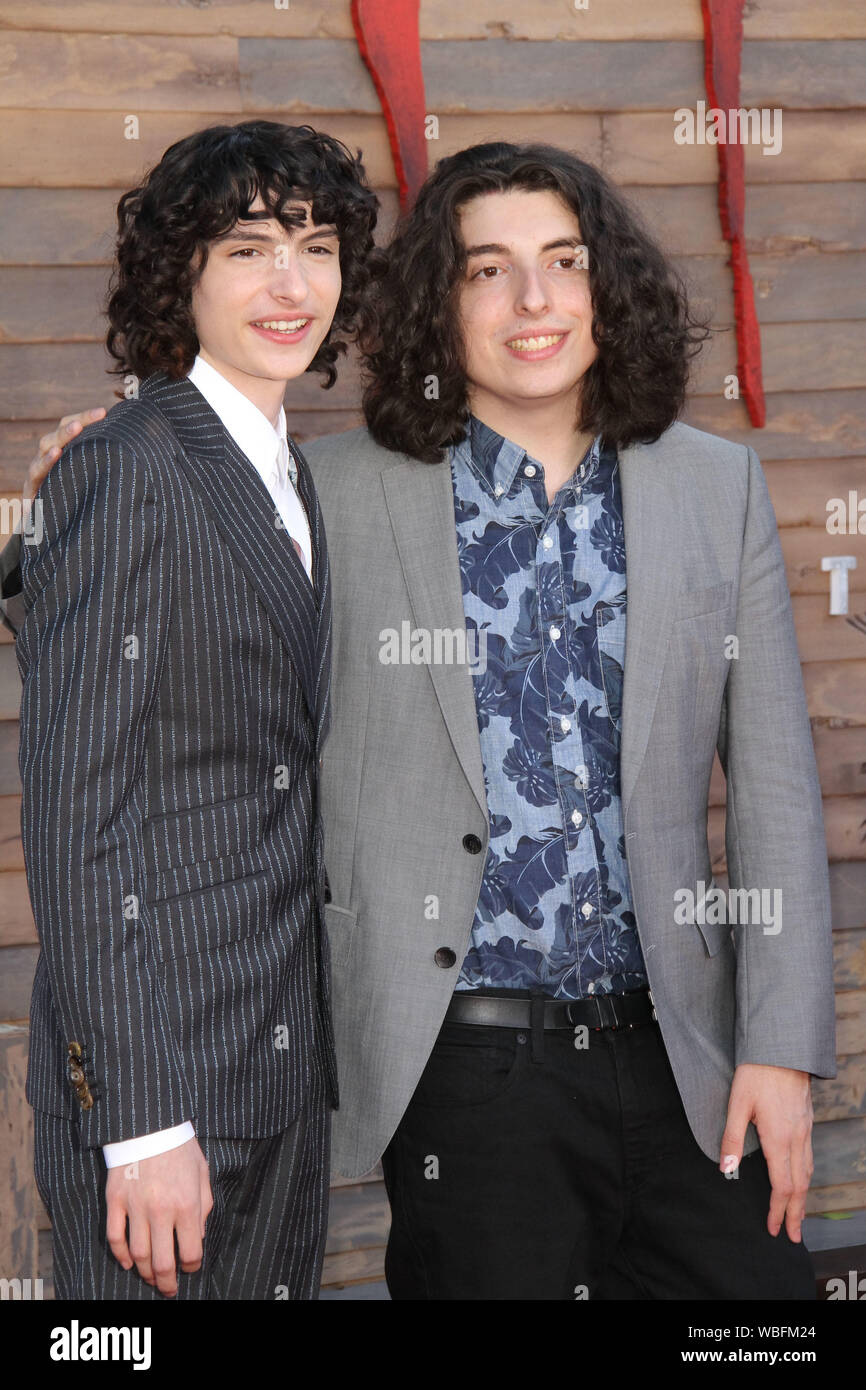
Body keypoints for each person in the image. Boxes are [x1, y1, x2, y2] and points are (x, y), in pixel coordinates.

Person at [4, 141, 836, 1301]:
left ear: (609, 284)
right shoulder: (327, 489)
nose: (533, 301)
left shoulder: (713, 484)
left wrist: (782, 1045)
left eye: (562, 261)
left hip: (686, 1057)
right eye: (486, 270)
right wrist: (56, 518)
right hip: (465, 1074)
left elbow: (776, 789)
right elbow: (175, 620)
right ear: (438, 303)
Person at [2, 118, 378, 1300]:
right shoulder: (129, 465)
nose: (289, 282)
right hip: (162, 1081)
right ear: (182, 273)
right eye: (248, 248)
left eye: (315, 248)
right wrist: (141, 1122)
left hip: (276, 1051)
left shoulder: (290, 466)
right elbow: (75, 815)